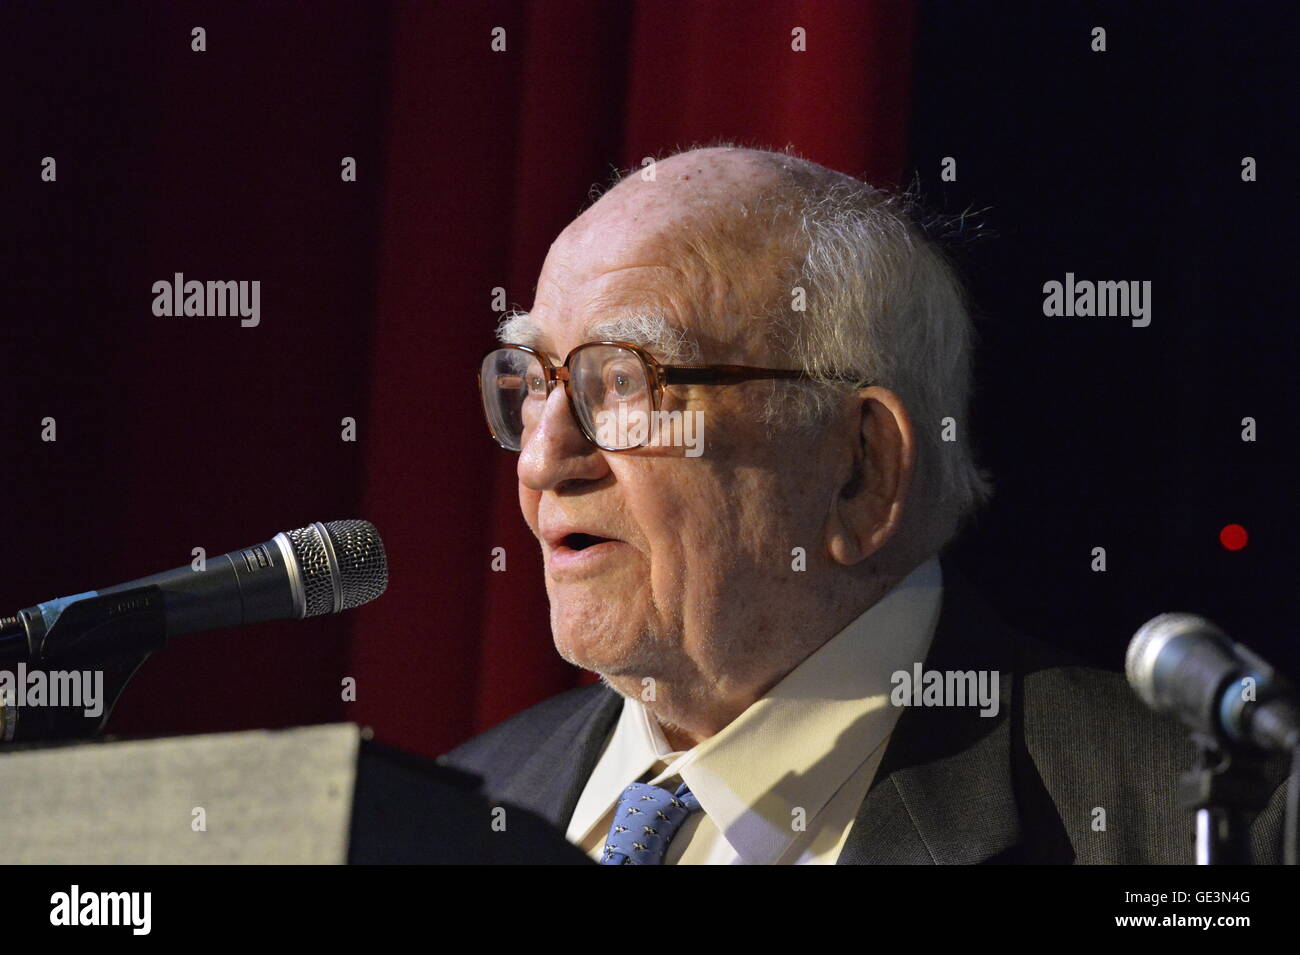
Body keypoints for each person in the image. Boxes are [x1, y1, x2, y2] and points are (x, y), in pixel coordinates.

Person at [442, 145, 1286, 864]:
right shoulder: (450, 813)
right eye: (535, 381)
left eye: (624, 382)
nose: (546, 458)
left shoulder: (1207, 830)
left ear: (860, 468)